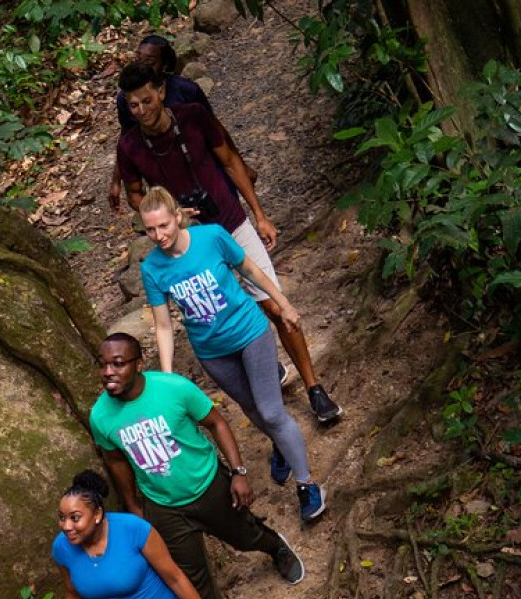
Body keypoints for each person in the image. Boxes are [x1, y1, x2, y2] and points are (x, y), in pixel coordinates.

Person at [114, 61, 344, 425]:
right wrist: (166, 213)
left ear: (161, 92)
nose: (141, 110)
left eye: (146, 100)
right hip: (187, 241)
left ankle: (315, 388)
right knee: (217, 314)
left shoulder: (192, 117)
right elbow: (134, 194)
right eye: (133, 105)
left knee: (273, 306)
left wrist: (260, 214)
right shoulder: (130, 146)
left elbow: (231, 161)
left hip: (230, 223)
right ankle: (268, 377)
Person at [90, 332, 307, 599]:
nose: (108, 372)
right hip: (162, 505)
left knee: (245, 537)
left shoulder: (172, 388)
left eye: (117, 363)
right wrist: (134, 507)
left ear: (138, 364)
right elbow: (116, 461)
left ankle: (275, 546)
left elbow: (217, 423)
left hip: (208, 486)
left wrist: (238, 472)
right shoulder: (101, 416)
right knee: (193, 575)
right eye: (103, 364)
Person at [138, 186, 326, 520]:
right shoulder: (152, 268)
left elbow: (251, 270)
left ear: (178, 217)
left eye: (164, 225)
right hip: (212, 351)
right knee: (251, 407)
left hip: (249, 332)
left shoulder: (211, 237)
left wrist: (283, 304)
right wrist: (166, 377)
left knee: (270, 411)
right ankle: (280, 446)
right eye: (150, 229)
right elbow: (164, 326)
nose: (159, 235)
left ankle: (307, 483)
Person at [53, 469, 227, 599]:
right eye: (61, 517)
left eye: (74, 518)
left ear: (97, 514)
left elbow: (175, 577)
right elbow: (74, 596)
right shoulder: (62, 548)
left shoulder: (134, 529)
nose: (66, 526)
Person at [109, 35, 255, 212]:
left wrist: (241, 165)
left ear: (164, 66)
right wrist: (116, 180)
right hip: (167, 175)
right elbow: (126, 138)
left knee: (226, 209)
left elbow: (216, 129)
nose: (142, 65)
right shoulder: (126, 99)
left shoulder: (186, 90)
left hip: (204, 165)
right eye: (138, 58)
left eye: (150, 61)